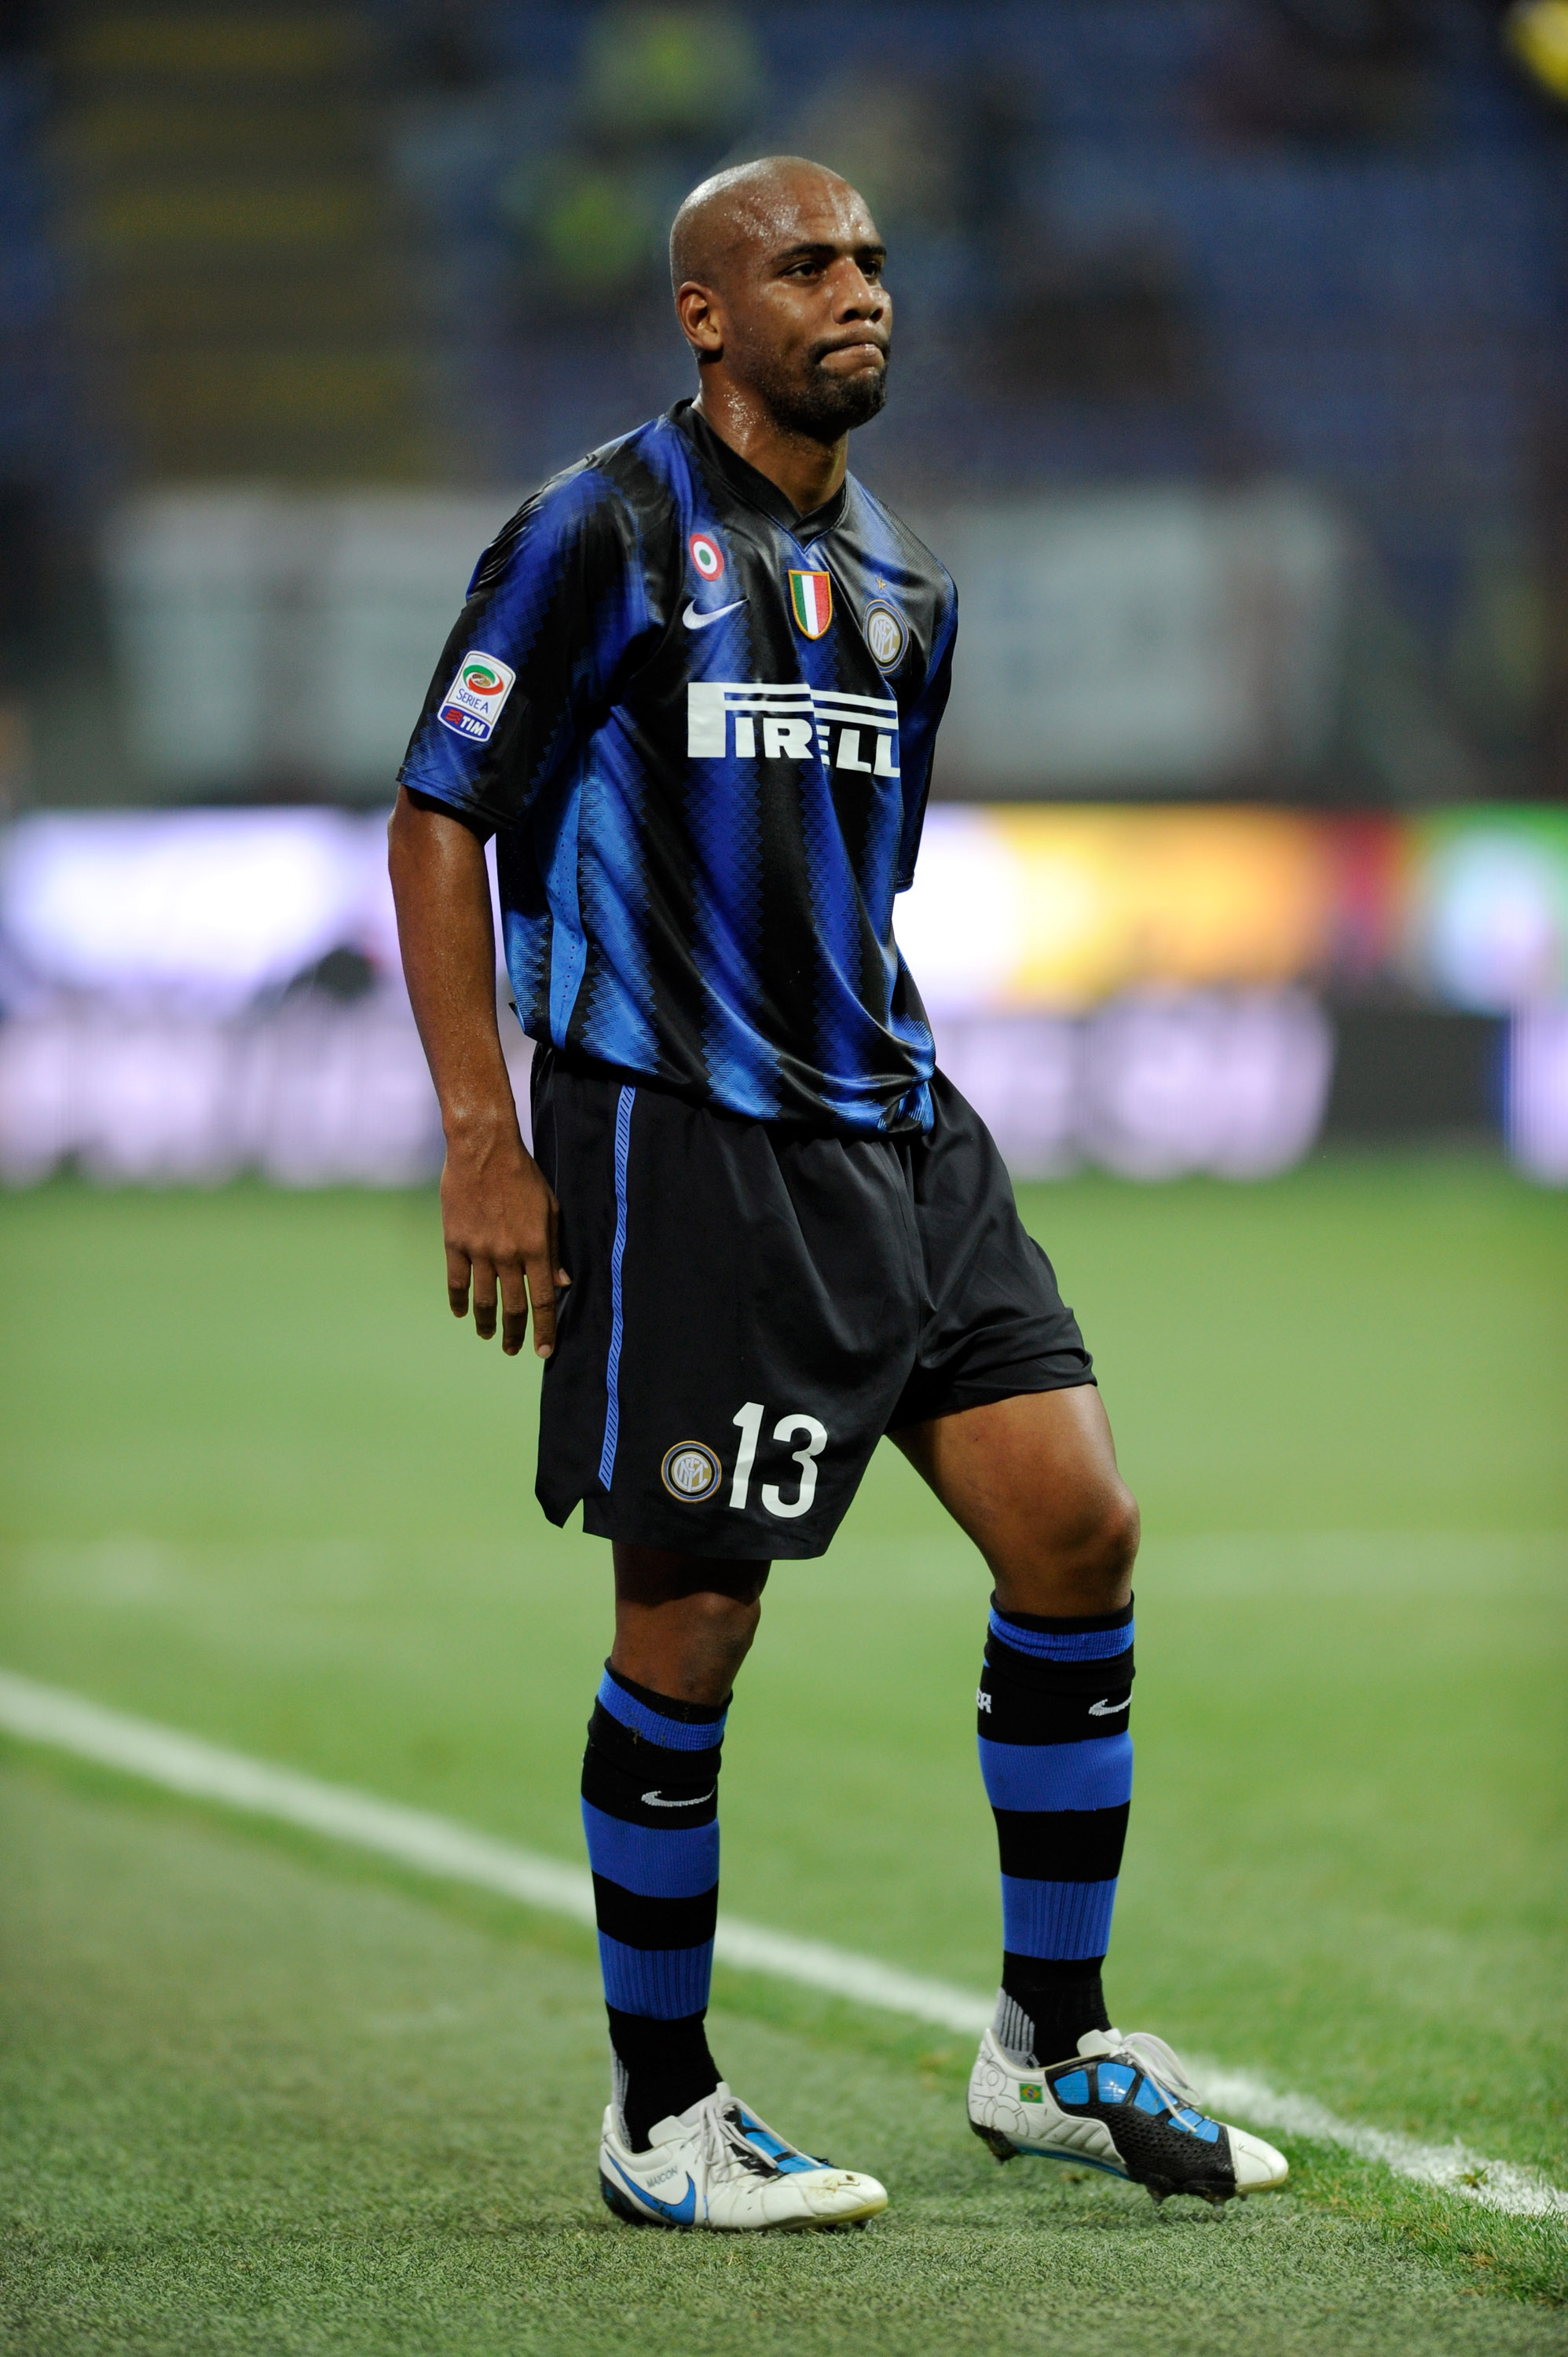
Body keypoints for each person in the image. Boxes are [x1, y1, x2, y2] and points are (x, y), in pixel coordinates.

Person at [388, 155, 1288, 2232]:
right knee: (693, 1622)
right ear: (707, 315)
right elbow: (440, 813)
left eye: (872, 260)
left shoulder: (907, 579)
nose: (858, 290)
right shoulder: (597, 529)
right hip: (682, 1129)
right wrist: (484, 1135)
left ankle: (1050, 2047)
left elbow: (855, 878)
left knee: (1075, 1528)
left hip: (894, 1115)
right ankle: (662, 2114)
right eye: (806, 265)